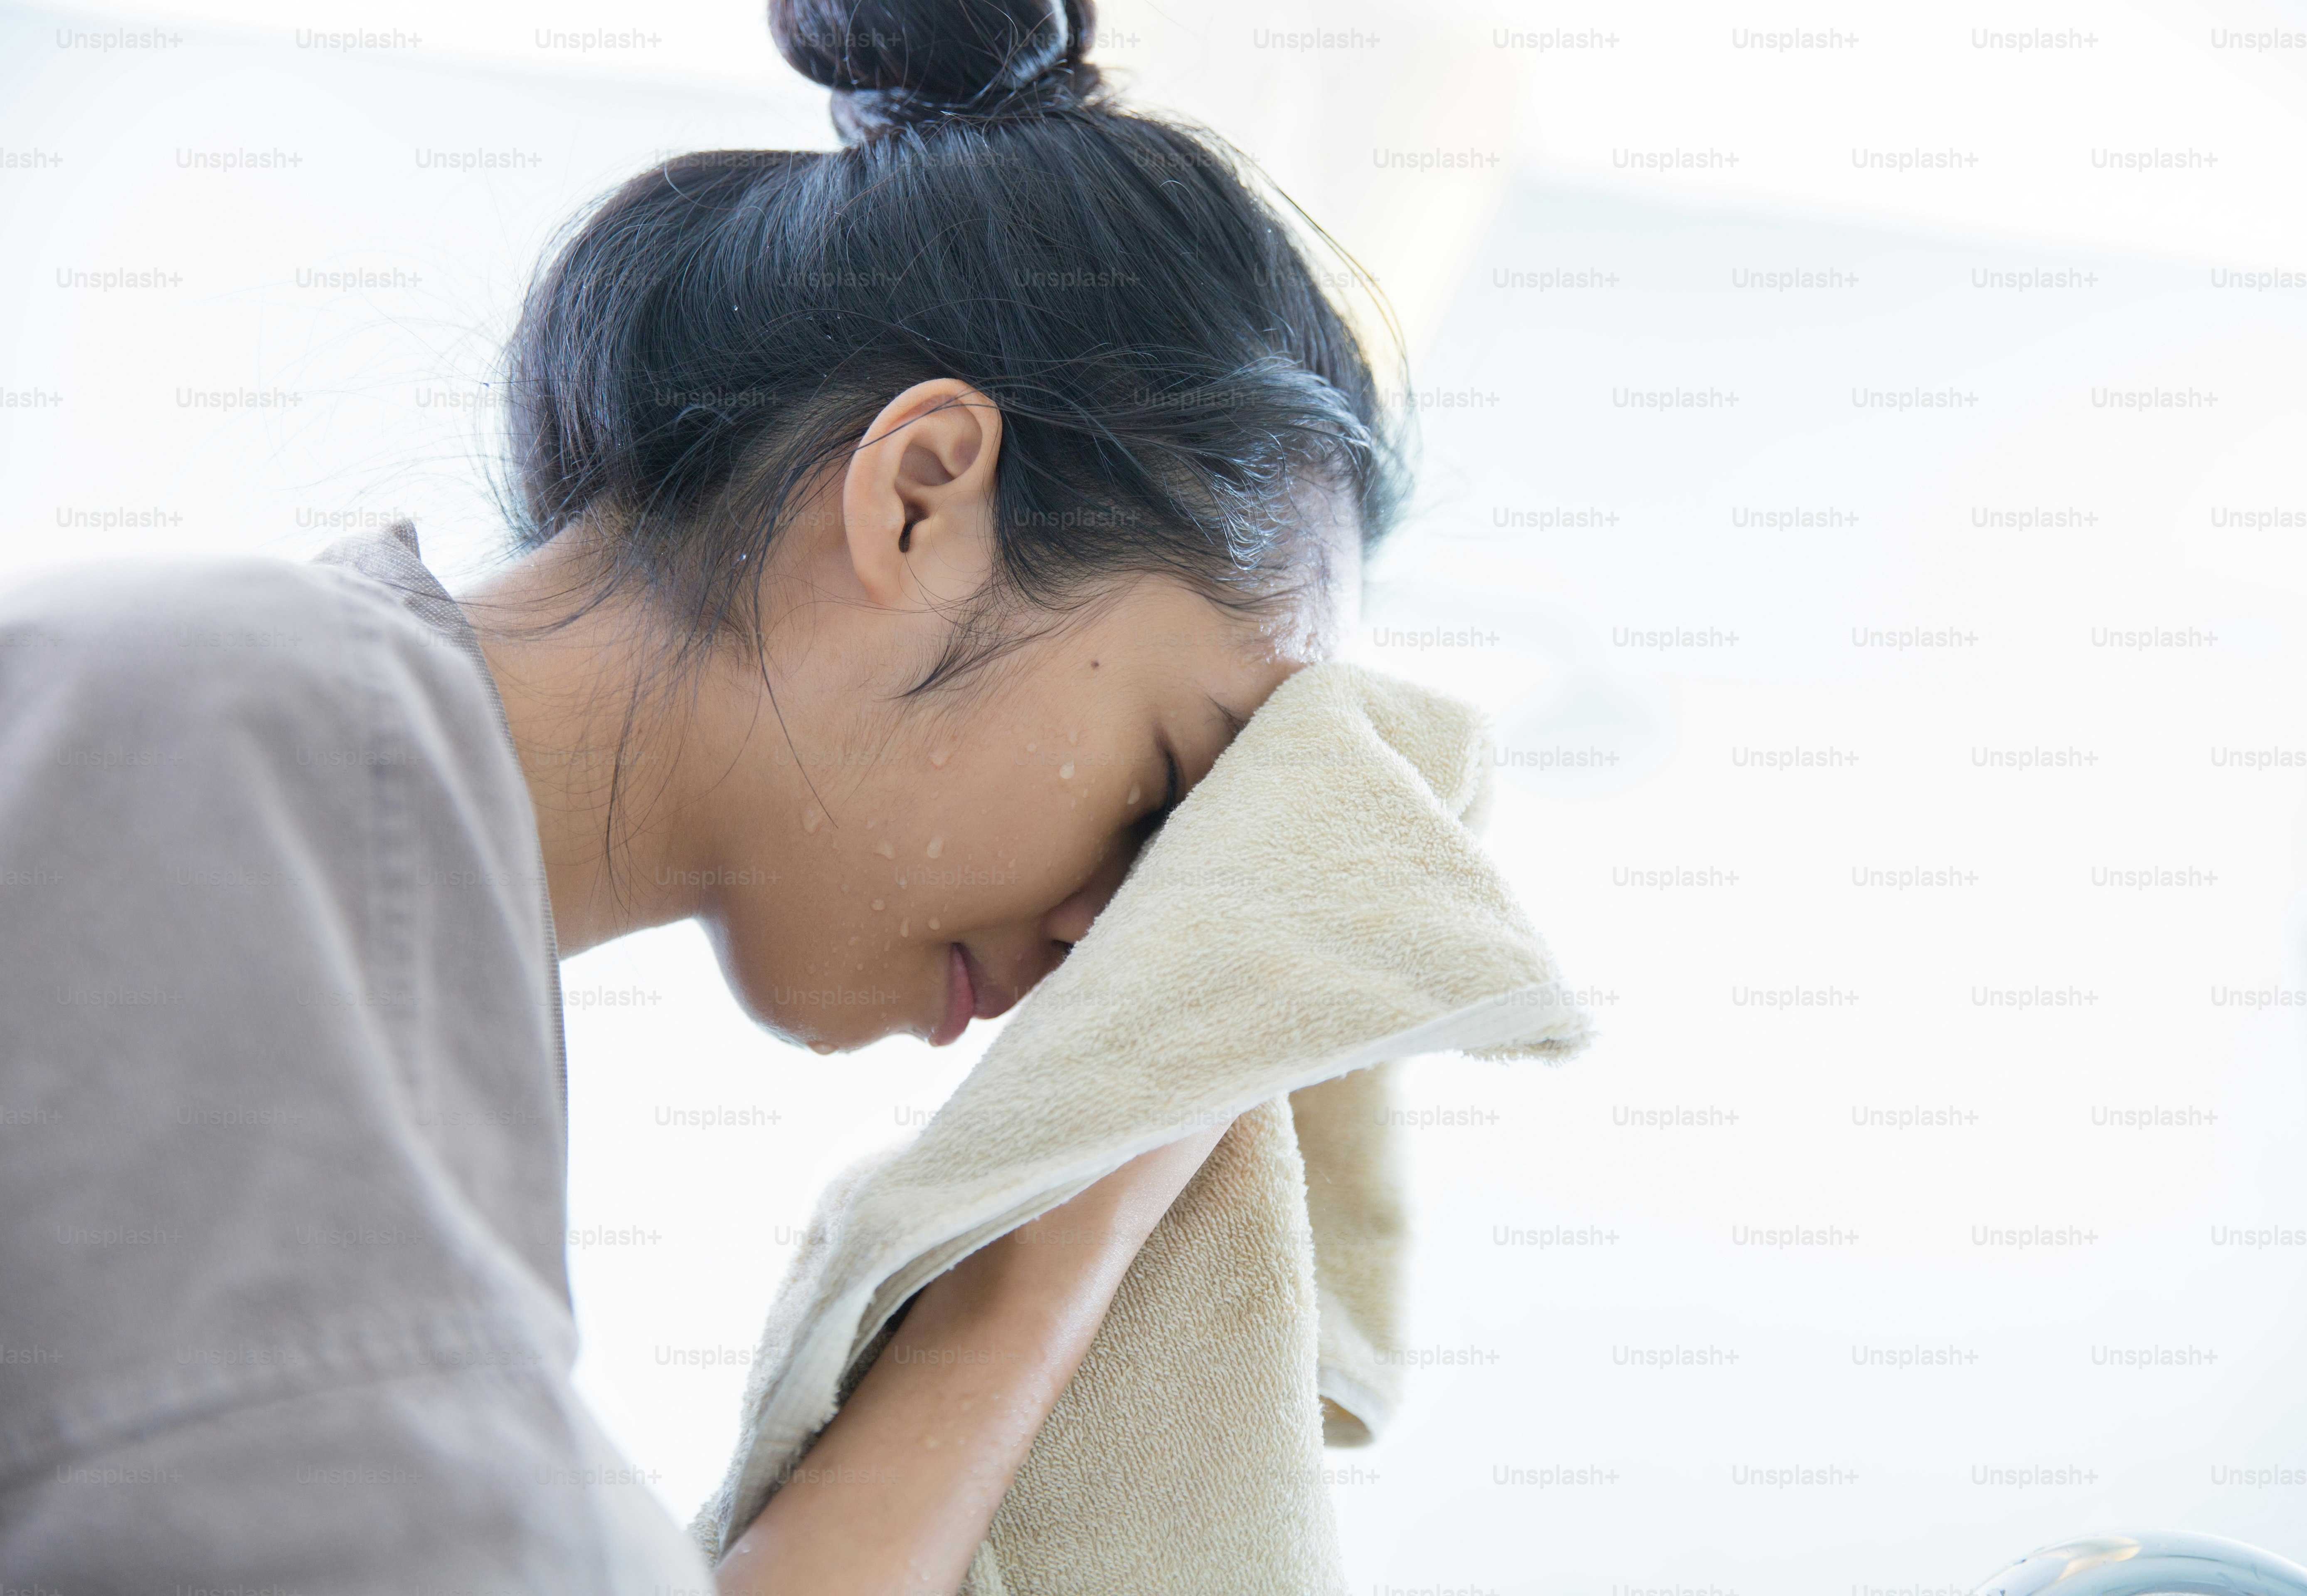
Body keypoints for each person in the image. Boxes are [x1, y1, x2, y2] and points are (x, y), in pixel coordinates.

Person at [0, 0, 1404, 1589]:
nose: (1117, 933)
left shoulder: (363, 902)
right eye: (1165, 792)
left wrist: (1063, 1235)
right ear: (923, 497)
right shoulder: (208, 750)